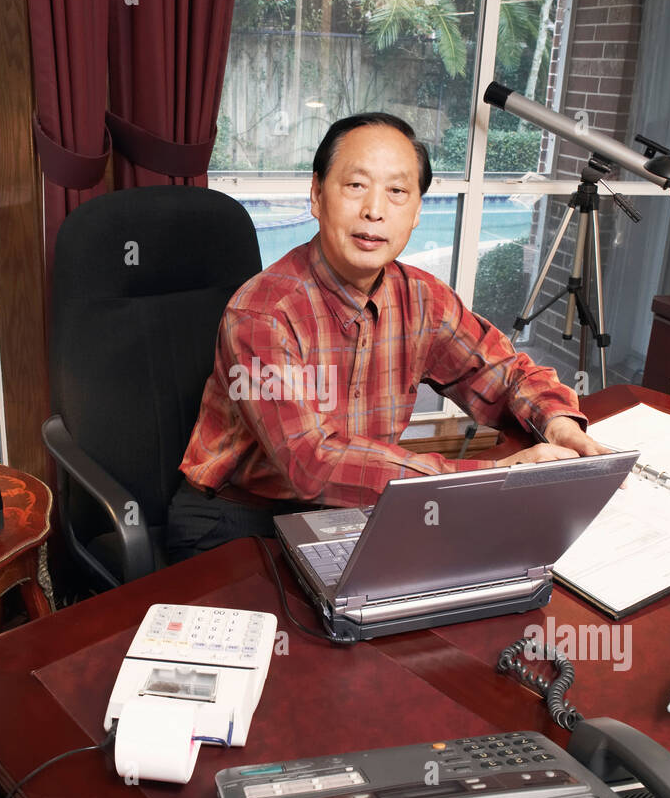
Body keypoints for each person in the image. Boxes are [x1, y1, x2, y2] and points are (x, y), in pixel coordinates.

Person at [166, 112, 610, 562]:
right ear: (317, 195)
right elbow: (310, 463)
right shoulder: (263, 314)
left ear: (417, 211)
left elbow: (503, 372)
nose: (374, 210)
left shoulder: (422, 297)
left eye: (397, 191)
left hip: (353, 507)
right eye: (356, 185)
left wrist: (558, 422)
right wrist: (489, 475)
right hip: (238, 518)